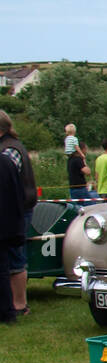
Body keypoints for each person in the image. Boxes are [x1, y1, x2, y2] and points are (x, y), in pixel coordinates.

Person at [0, 113, 35, 317]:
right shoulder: (11, 146)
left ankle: (19, 303)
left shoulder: (9, 150)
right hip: (16, 207)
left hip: (16, 210)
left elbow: (7, 180)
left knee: (15, 257)